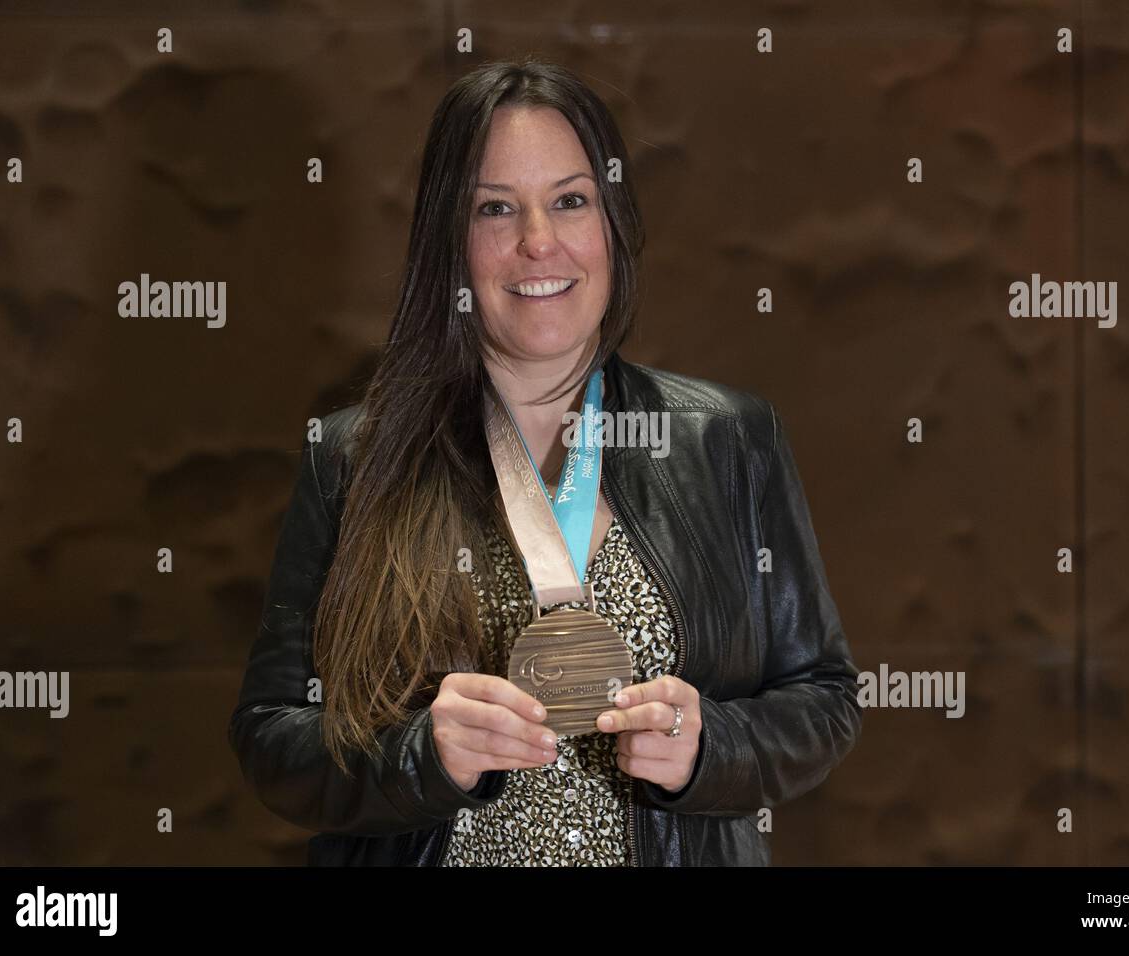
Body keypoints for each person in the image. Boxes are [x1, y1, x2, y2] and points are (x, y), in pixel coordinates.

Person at [228, 56, 862, 867]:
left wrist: (712, 745)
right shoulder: (354, 458)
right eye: (495, 209)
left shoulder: (730, 440)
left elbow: (825, 699)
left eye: (569, 200)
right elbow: (271, 740)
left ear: (613, 222)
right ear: (447, 241)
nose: (538, 242)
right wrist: (424, 755)